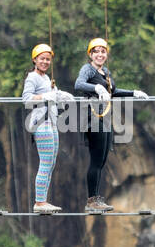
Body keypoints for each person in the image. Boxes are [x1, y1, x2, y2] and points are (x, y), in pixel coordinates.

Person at [72, 37, 148, 214]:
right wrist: (96, 89)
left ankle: (96, 198)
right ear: (90, 54)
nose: (100, 54)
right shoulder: (88, 69)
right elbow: (78, 84)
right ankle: (91, 200)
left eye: (103, 51)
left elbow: (112, 92)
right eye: (96, 51)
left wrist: (133, 93)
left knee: (103, 159)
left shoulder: (105, 72)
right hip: (92, 116)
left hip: (104, 117)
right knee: (96, 159)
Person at [21, 43, 73, 213]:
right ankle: (39, 202)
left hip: (51, 121)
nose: (45, 62)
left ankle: (43, 201)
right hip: (40, 122)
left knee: (50, 162)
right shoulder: (32, 77)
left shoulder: (46, 78)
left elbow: (54, 95)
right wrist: (45, 96)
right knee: (45, 162)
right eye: (42, 58)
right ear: (34, 59)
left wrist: (61, 95)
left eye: (48, 59)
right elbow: (26, 99)